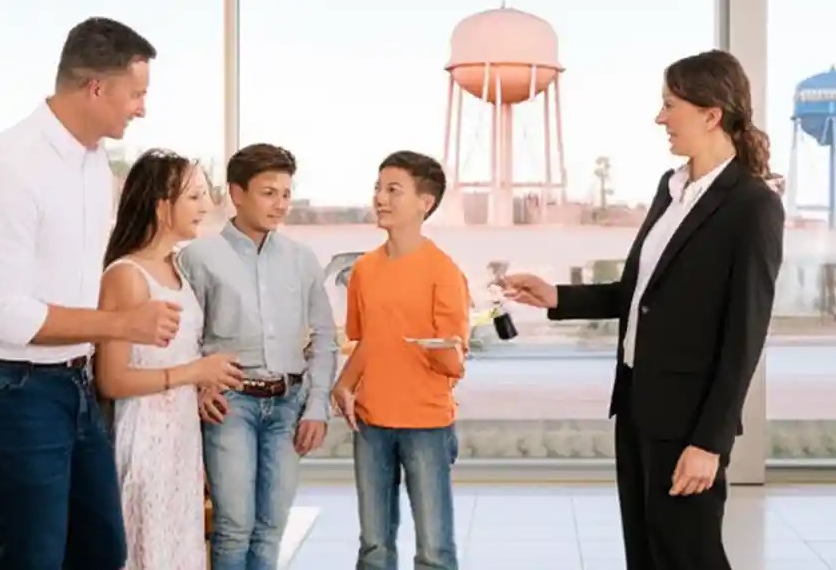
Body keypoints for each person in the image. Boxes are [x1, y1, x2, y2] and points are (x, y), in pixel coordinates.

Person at [502, 49, 785, 570]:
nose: (660, 118)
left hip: (689, 421)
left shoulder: (752, 205)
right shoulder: (671, 189)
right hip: (637, 405)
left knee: (689, 556)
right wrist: (556, 296)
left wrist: (710, 443)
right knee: (645, 555)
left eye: (670, 105)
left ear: (710, 114)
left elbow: (745, 336)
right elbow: (640, 294)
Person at [0, 17, 180, 570]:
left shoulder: (94, 164)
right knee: (35, 559)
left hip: (71, 383)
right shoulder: (7, 169)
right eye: (136, 94)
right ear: (96, 88)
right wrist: (123, 323)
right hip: (8, 387)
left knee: (101, 551)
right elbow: (3, 314)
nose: (142, 109)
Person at [177, 142, 338, 570]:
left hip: (288, 405)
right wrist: (199, 386)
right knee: (234, 526)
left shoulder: (302, 259)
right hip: (230, 405)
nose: (280, 204)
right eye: (269, 193)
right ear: (237, 193)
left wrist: (317, 407)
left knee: (271, 527)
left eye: (286, 194)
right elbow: (185, 337)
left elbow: (324, 337)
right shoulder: (198, 257)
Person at [93, 150, 246, 570]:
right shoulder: (126, 276)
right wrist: (194, 371)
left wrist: (201, 385)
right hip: (145, 440)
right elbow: (112, 380)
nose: (206, 206)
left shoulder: (176, 268)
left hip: (181, 438)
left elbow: (176, 355)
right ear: (162, 207)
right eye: (195, 196)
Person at [331, 151, 468, 570]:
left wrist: (440, 348)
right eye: (378, 188)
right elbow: (367, 341)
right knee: (374, 548)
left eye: (393, 190)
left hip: (427, 425)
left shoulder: (444, 271)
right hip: (371, 424)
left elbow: (455, 363)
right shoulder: (364, 270)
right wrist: (343, 385)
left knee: (434, 551)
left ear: (425, 203)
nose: (380, 198)